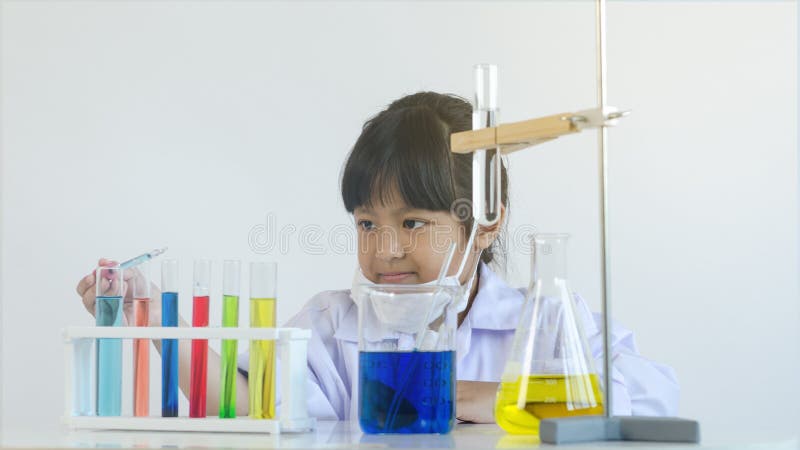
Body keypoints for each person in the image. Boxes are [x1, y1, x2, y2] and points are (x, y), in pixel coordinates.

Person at [75, 92, 679, 423]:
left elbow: (654, 394)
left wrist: (492, 395)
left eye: (413, 222)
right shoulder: (332, 325)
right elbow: (250, 403)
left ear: (485, 223)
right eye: (367, 223)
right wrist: (152, 317)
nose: (384, 249)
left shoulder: (543, 323)